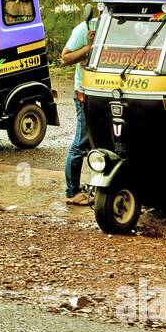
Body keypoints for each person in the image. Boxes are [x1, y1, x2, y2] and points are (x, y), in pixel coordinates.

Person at [62, 12, 97, 206]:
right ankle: (72, 191)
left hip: (109, 93)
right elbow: (64, 58)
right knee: (81, 141)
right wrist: (88, 47)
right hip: (85, 93)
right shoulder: (85, 28)